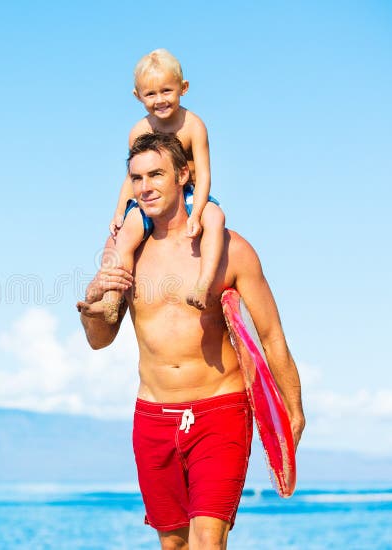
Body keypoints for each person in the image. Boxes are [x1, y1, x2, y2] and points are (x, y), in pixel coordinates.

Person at [76, 133, 304, 550]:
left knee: (206, 540)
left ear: (183, 174)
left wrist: (294, 410)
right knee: (173, 545)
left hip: (220, 410)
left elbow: (271, 338)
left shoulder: (230, 250)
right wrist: (91, 309)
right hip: (153, 417)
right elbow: (100, 340)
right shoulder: (124, 250)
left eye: (156, 174)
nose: (145, 186)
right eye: (137, 178)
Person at [83, 49, 225, 324]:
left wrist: (196, 214)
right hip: (150, 198)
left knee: (216, 218)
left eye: (167, 91)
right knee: (124, 236)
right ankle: (111, 299)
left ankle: (203, 283)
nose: (160, 100)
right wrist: (119, 211)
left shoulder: (193, 125)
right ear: (137, 96)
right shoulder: (139, 131)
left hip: (190, 193)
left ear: (183, 88)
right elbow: (132, 177)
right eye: (150, 94)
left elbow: (205, 173)